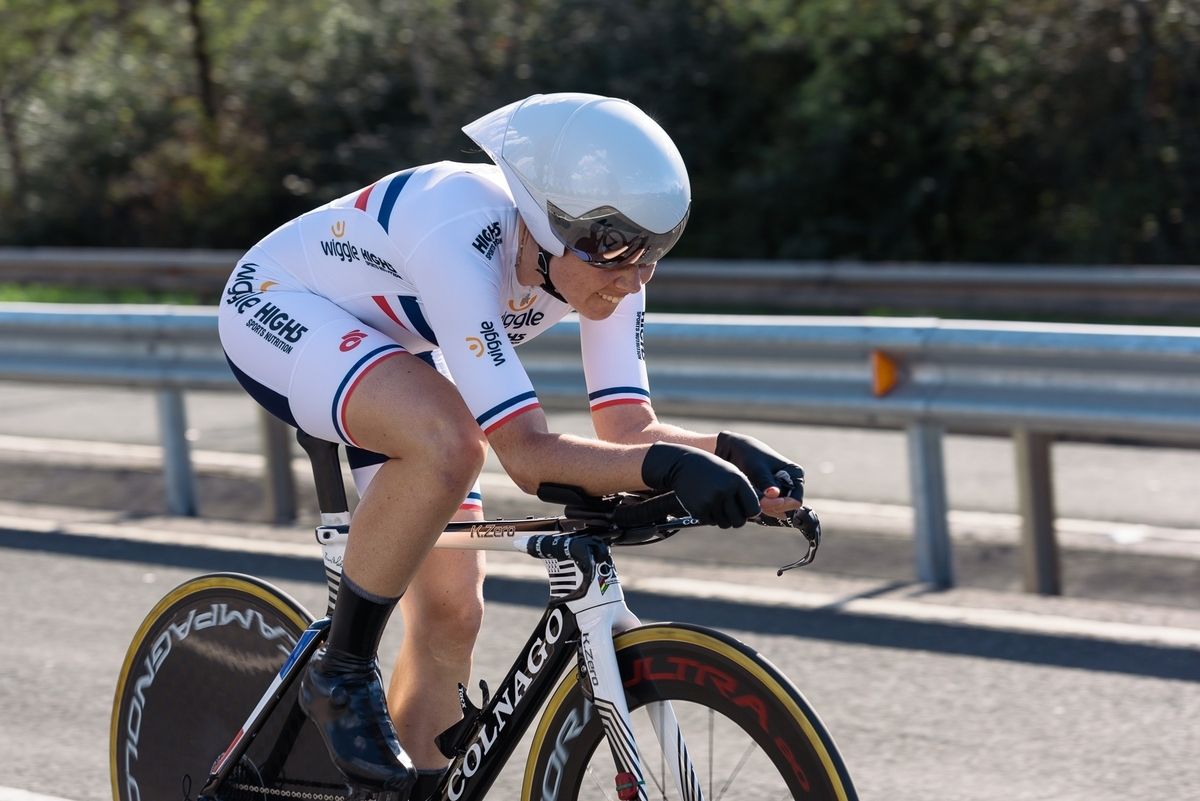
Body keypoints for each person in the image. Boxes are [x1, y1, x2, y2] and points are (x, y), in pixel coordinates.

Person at [216, 92, 808, 796]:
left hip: (398, 341)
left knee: (451, 612)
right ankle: (339, 673)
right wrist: (671, 468)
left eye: (656, 250)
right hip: (281, 305)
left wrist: (728, 452)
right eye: (619, 250)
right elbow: (524, 453)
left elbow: (628, 430)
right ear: (549, 223)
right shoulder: (460, 231)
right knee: (449, 441)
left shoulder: (607, 262)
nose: (636, 276)